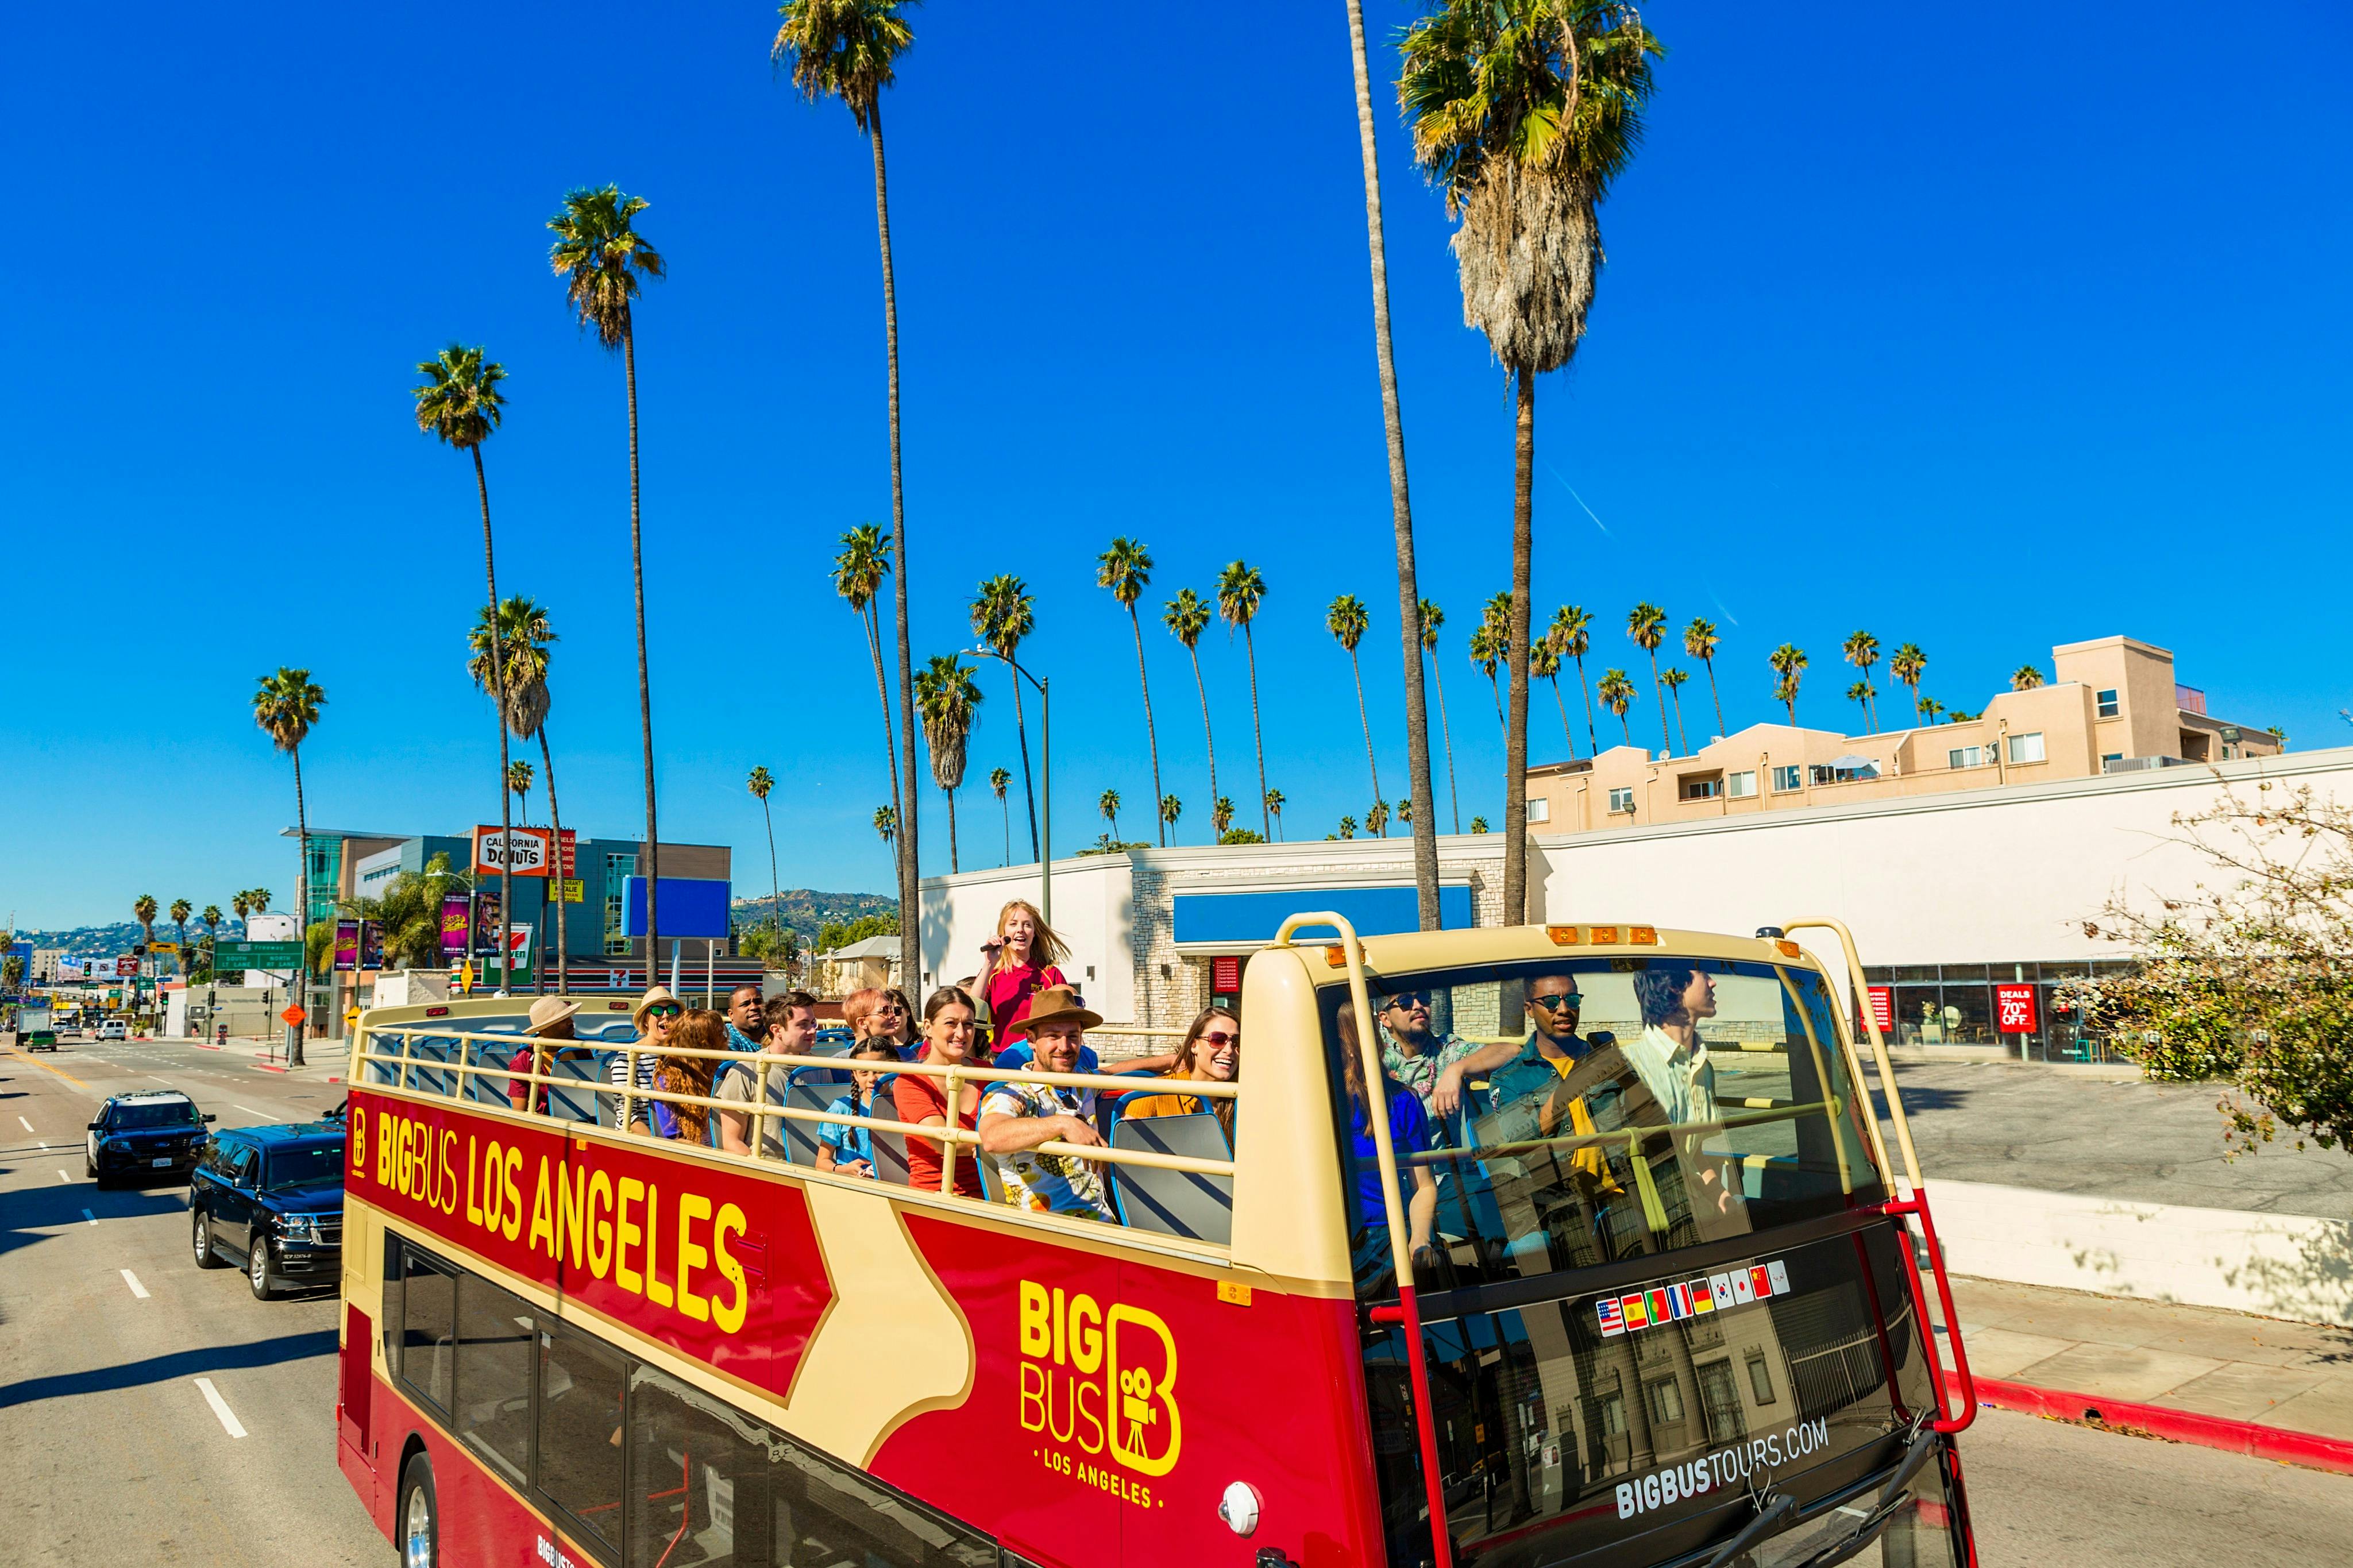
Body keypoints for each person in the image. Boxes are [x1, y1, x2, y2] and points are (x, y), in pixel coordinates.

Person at [978, 988, 1116, 1221]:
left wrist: (1172, 1061)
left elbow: (1112, 1072)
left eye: (1073, 1036)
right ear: (1031, 1040)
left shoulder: (1083, 1080)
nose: (1064, 1046)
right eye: (1053, 1036)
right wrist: (1064, 1124)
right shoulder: (1015, 1093)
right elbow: (992, 1137)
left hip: (1104, 1221)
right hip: (1048, 1232)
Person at [1336, 1004, 1438, 1285]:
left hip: (1385, 1239)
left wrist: (1419, 1239)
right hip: (1327, 1244)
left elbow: (1424, 1185)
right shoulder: (1311, 1104)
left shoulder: (1402, 1102)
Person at [893, 987, 988, 1198]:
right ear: (928, 1027)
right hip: (938, 1196)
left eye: (969, 1025)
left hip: (994, 1190)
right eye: (951, 1024)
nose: (961, 1034)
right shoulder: (910, 1081)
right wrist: (1004, 1140)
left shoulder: (987, 1071)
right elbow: (944, 1142)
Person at [715, 988, 818, 1157]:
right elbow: (732, 1142)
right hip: (770, 1173)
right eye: (803, 1025)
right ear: (777, 1031)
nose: (813, 1030)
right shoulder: (745, 1072)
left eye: (813, 1023)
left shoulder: (820, 1067)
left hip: (815, 1172)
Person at [1376, 989, 1489, 1138]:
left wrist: (1456, 1070)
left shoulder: (1446, 1050)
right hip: (1392, 1161)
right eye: (1405, 1001)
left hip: (1445, 1160)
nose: (1418, 1006)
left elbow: (1510, 1052)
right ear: (1386, 1019)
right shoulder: (1373, 1057)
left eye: (1423, 998)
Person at [1120, 1006, 1240, 1144]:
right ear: (1194, 1046)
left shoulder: (1244, 1100)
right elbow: (1126, 1149)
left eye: (1236, 1042)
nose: (1229, 1050)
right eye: (1218, 1040)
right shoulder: (1154, 1094)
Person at [1625, 965, 1723, 1126]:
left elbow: (1699, 1147)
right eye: (1702, 973)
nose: (1712, 983)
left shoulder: (1703, 1067)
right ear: (1673, 986)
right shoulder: (1632, 1066)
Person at [972, 899, 1069, 1044]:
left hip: (1040, 1058)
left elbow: (1069, 1020)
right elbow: (972, 1008)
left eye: (1027, 925)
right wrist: (989, 963)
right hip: (1001, 1059)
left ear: (1035, 933)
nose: (1020, 929)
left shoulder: (1051, 974)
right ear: (1003, 933)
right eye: (1013, 924)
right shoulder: (992, 974)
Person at [817, 1039, 900, 1177]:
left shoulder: (905, 1105)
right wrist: (845, 1169)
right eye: (863, 1072)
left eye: (880, 1071)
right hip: (854, 1187)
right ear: (854, 1074)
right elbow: (821, 1163)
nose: (872, 1078)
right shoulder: (841, 1108)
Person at [649, 1009, 724, 1145]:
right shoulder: (668, 1081)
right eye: (719, 1034)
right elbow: (673, 1137)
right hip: (697, 1155)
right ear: (703, 1042)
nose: (725, 1038)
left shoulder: (724, 1071)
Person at [614, 986, 682, 1136]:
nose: (666, 1015)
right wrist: (657, 1145)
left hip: (675, 1137)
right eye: (657, 1011)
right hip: (642, 1141)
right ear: (645, 1020)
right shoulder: (628, 1058)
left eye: (672, 1010)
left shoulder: (682, 1055)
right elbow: (626, 1116)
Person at [507, 995, 590, 1114]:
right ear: (545, 1028)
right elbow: (519, 1111)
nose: (571, 1022)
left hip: (585, 1118)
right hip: (547, 1123)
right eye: (563, 1020)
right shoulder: (524, 1059)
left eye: (569, 1017)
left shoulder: (581, 1049)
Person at [723, 984, 767, 1057]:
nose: (754, 1007)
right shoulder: (725, 1038)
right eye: (745, 1004)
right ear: (731, 1014)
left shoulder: (776, 1031)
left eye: (758, 1002)